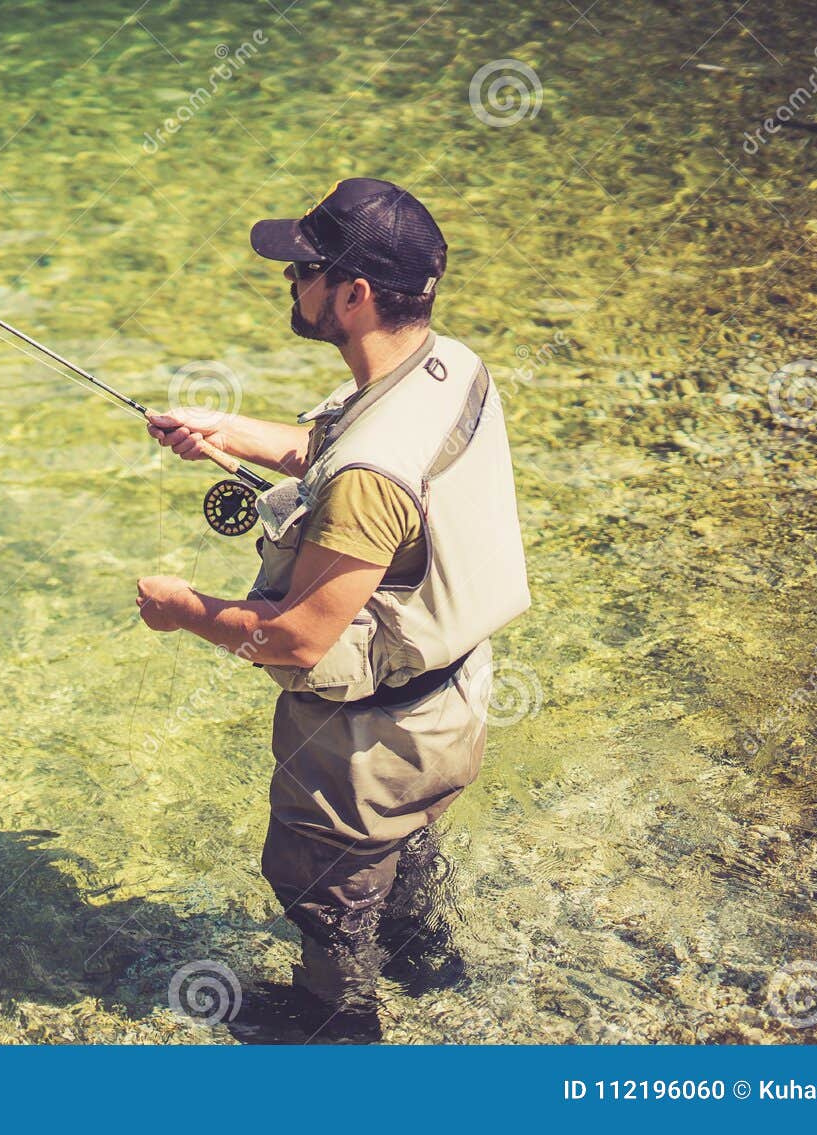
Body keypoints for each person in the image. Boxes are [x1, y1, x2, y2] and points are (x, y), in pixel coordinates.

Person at [134, 178, 531, 1039]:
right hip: (451, 706)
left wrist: (180, 607)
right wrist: (231, 432)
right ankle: (428, 957)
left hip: (370, 749)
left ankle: (337, 1022)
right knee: (402, 846)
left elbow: (295, 641)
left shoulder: (365, 478)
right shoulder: (450, 365)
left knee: (325, 887)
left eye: (304, 269)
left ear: (353, 294)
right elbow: (356, 449)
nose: (290, 281)